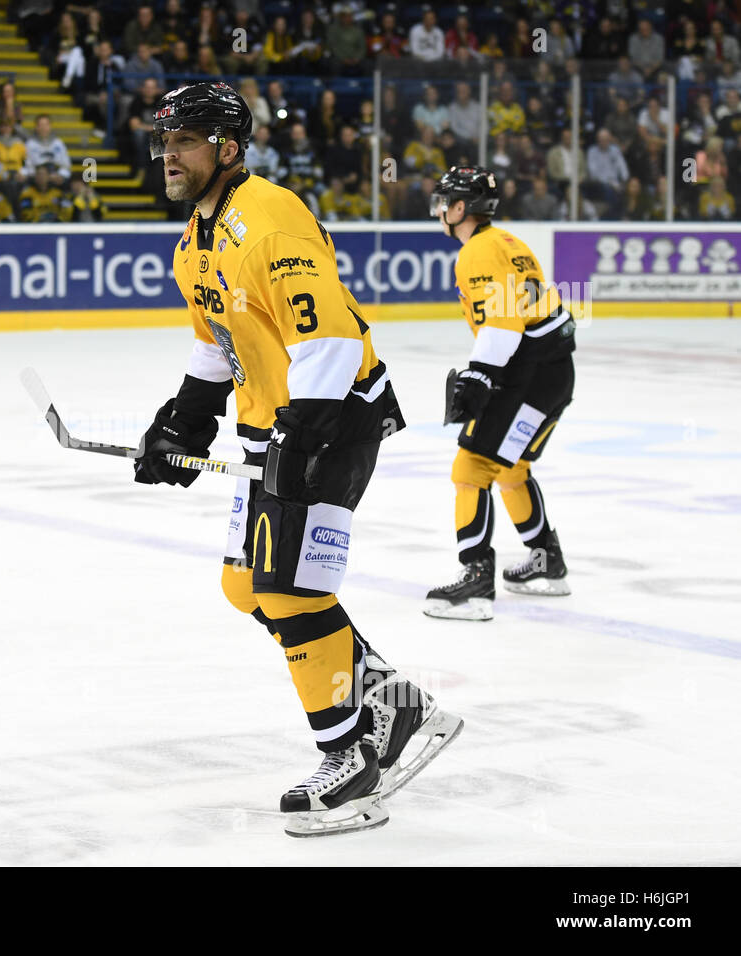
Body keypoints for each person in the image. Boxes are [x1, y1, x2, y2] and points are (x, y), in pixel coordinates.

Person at [136, 82, 461, 836]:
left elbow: (332, 341)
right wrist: (183, 423)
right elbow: (218, 343)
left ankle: (350, 761)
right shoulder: (196, 242)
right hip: (277, 426)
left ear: (227, 147)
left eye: (184, 142)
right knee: (244, 586)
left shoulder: (270, 219)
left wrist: (299, 436)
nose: (169, 157)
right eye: (165, 144)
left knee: (287, 590)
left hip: (333, 419)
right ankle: (398, 708)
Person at [425, 166, 577, 620]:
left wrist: (479, 377)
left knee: (470, 466)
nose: (438, 210)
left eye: (443, 202)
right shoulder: (511, 243)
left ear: (459, 209)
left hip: (525, 373)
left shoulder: (476, 252)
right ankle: (547, 563)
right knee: (513, 466)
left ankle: (475, 584)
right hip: (556, 372)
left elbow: (504, 320)